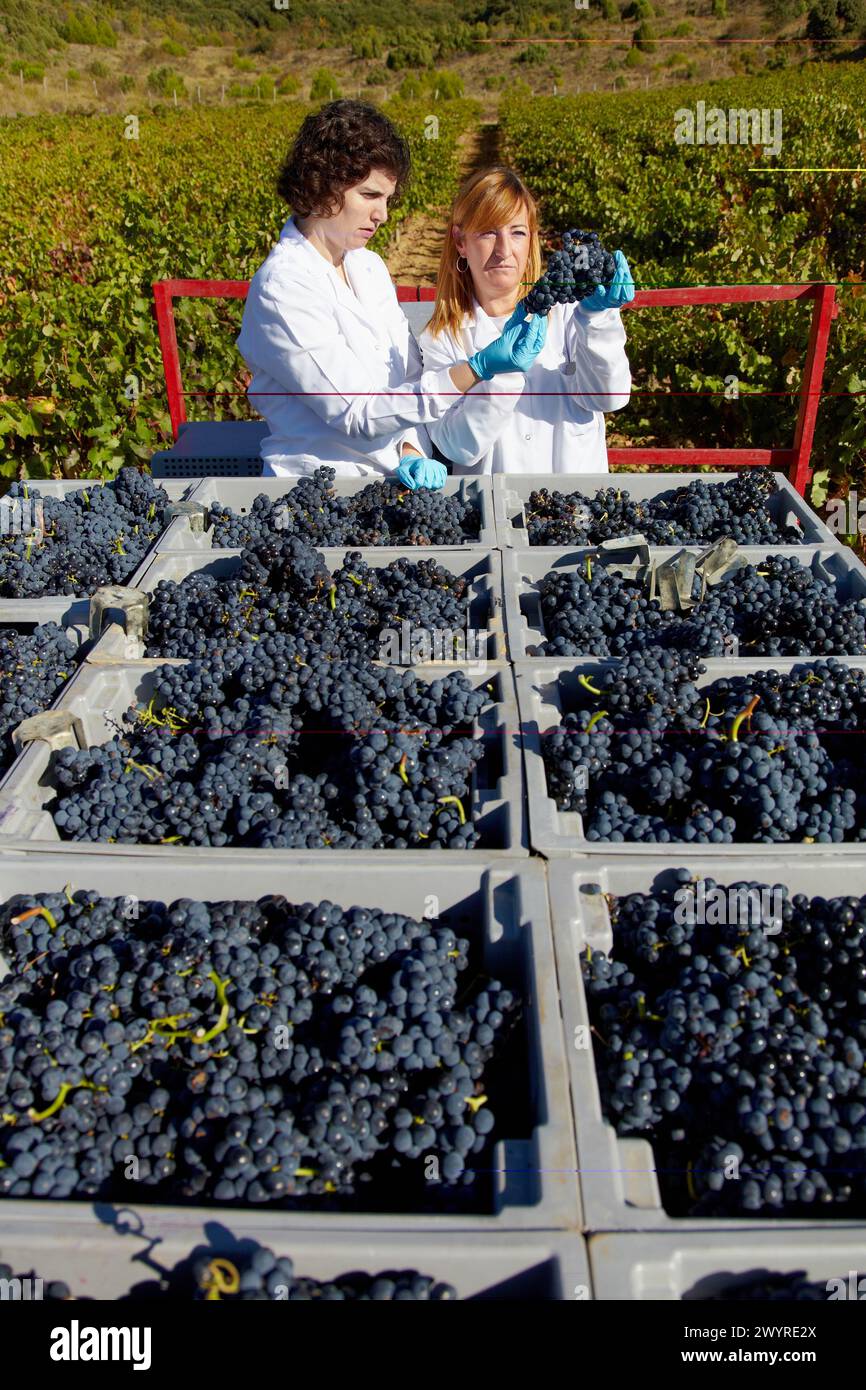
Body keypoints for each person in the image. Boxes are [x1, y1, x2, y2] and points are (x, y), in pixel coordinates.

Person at [235, 101, 547, 486]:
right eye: (369, 195)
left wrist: (411, 451)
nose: (382, 214)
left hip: (390, 486)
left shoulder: (368, 267)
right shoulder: (283, 288)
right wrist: (477, 368)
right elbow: (357, 411)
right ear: (322, 184)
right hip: (321, 490)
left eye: (387, 198)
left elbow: (406, 381)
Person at [417, 166, 633, 475]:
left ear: (531, 238)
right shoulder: (441, 339)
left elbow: (610, 396)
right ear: (460, 241)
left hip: (577, 510)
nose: (504, 250)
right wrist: (500, 373)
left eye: (517, 232)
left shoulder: (571, 313)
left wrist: (597, 319)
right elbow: (456, 445)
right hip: (493, 514)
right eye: (488, 232)